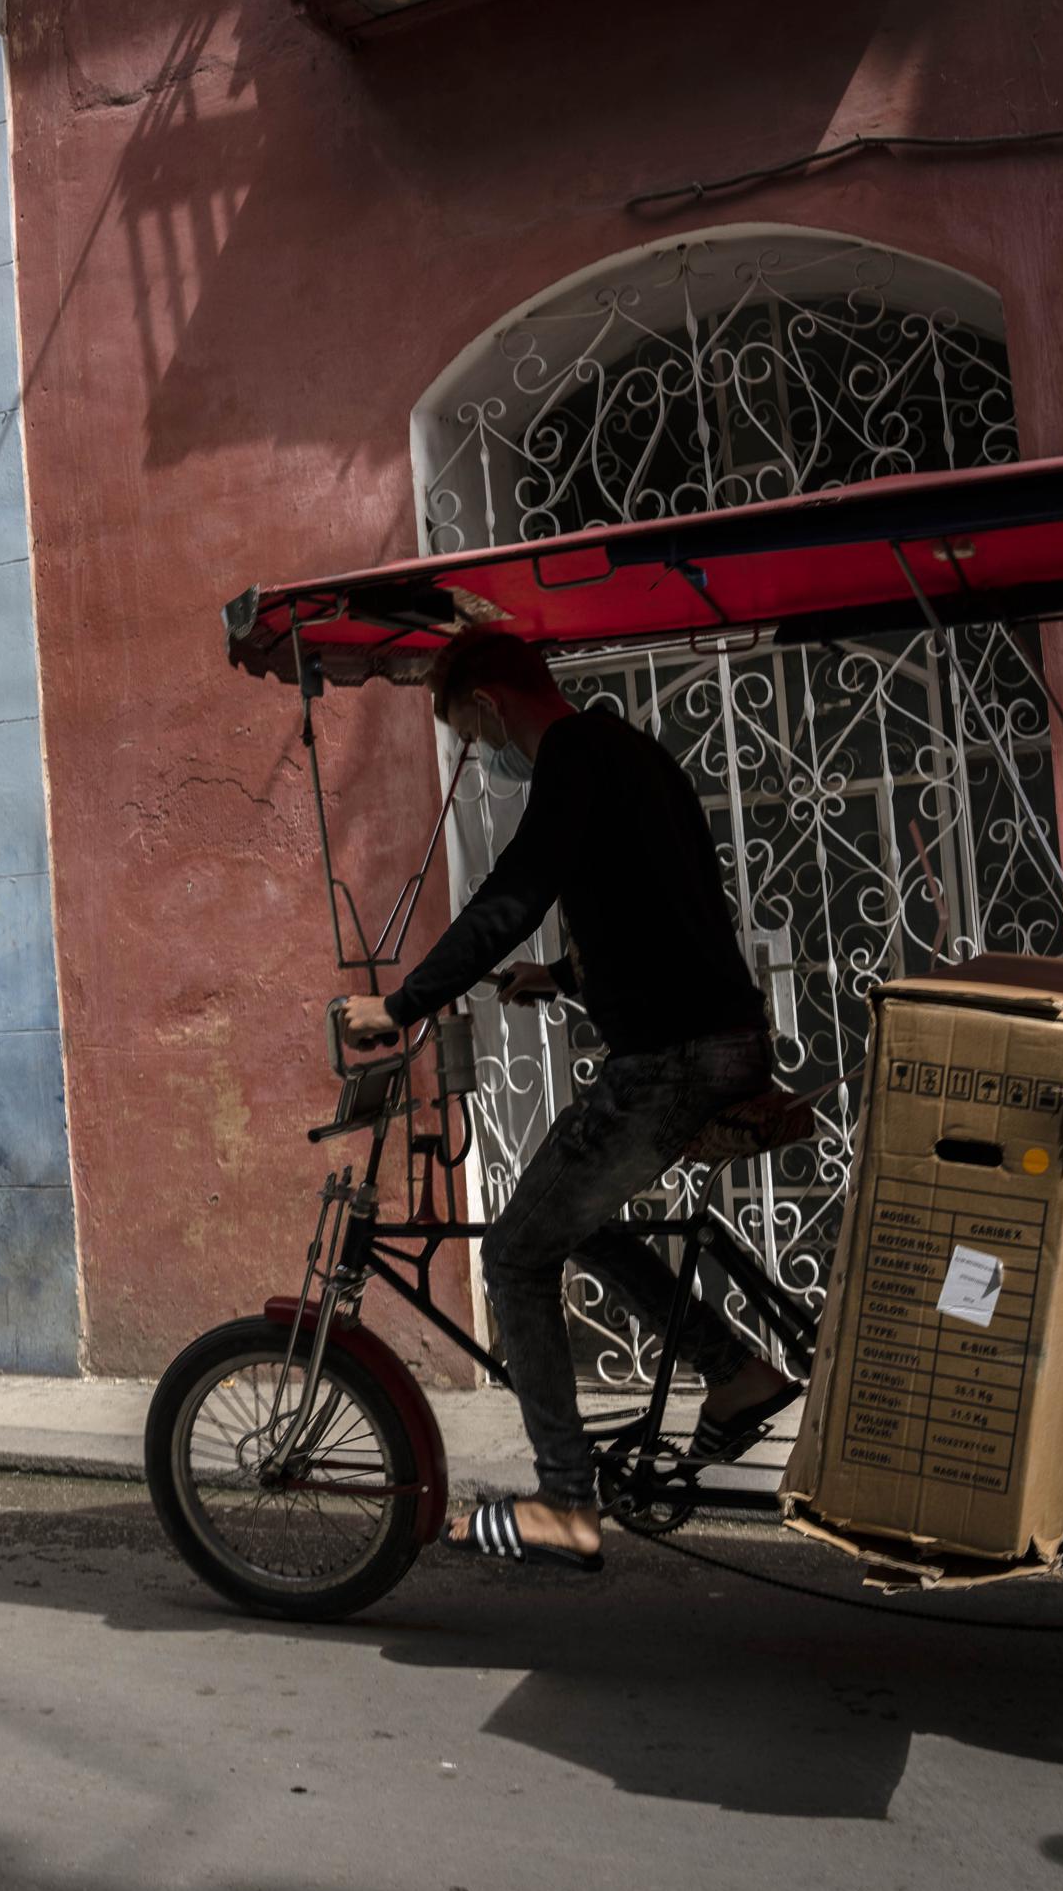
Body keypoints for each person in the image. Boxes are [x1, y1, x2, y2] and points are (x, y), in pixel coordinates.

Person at [338, 629, 794, 1572]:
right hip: (718, 1038)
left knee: (511, 1251)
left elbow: (512, 891)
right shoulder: (633, 754)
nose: (480, 749)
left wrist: (402, 1003)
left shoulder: (574, 757)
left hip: (672, 1060)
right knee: (567, 1219)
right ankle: (734, 1371)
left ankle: (565, 1502)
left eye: (468, 729)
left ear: (492, 704)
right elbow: (665, 913)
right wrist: (561, 973)